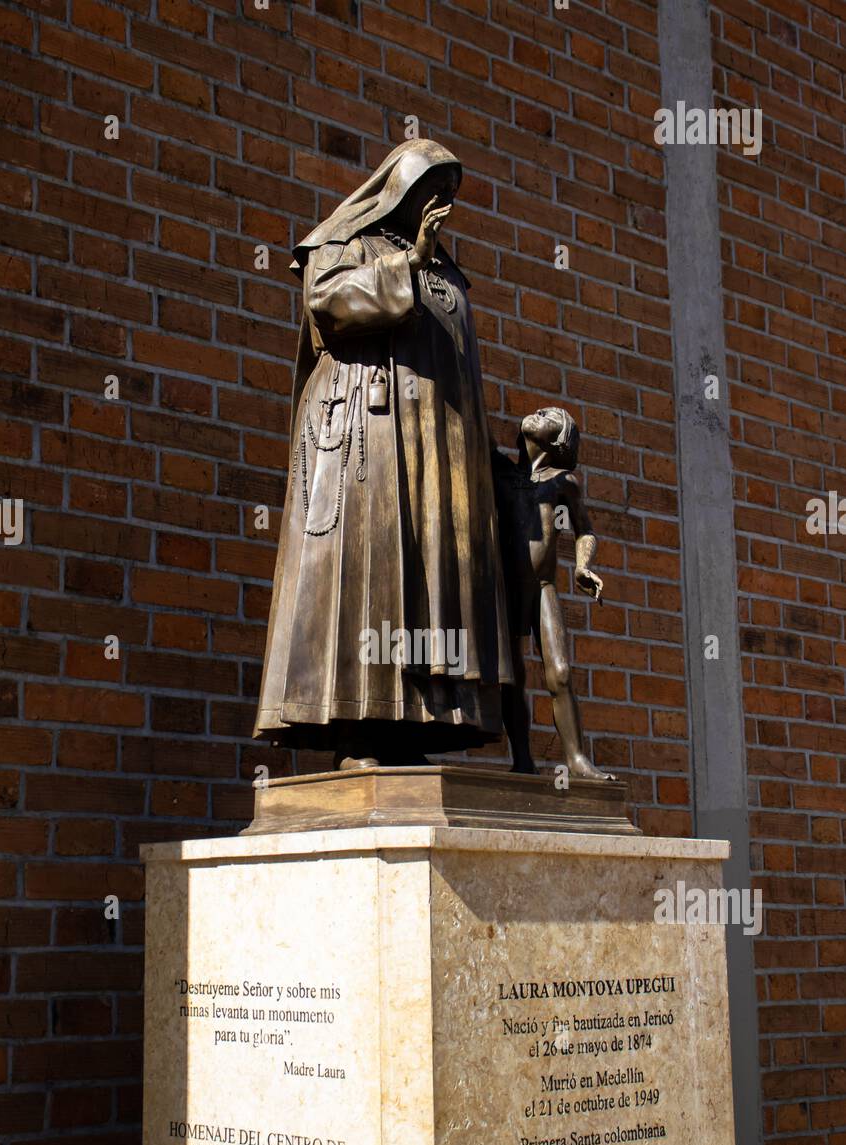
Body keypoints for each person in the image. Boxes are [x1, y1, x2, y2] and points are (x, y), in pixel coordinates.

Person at [253, 139, 513, 770]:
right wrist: (409, 266)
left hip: (437, 453)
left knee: (427, 580)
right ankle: (358, 728)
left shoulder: (449, 275)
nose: (440, 205)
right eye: (430, 188)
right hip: (369, 440)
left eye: (447, 194)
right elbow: (328, 305)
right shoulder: (343, 245)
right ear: (396, 187)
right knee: (369, 573)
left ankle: (413, 723)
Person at [491, 406, 615, 780]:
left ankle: (576, 759)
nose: (535, 414)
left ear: (560, 438)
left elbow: (585, 530)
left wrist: (583, 565)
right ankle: (523, 759)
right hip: (506, 589)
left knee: (559, 672)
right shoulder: (501, 472)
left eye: (547, 415)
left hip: (544, 587)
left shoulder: (564, 482)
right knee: (510, 676)